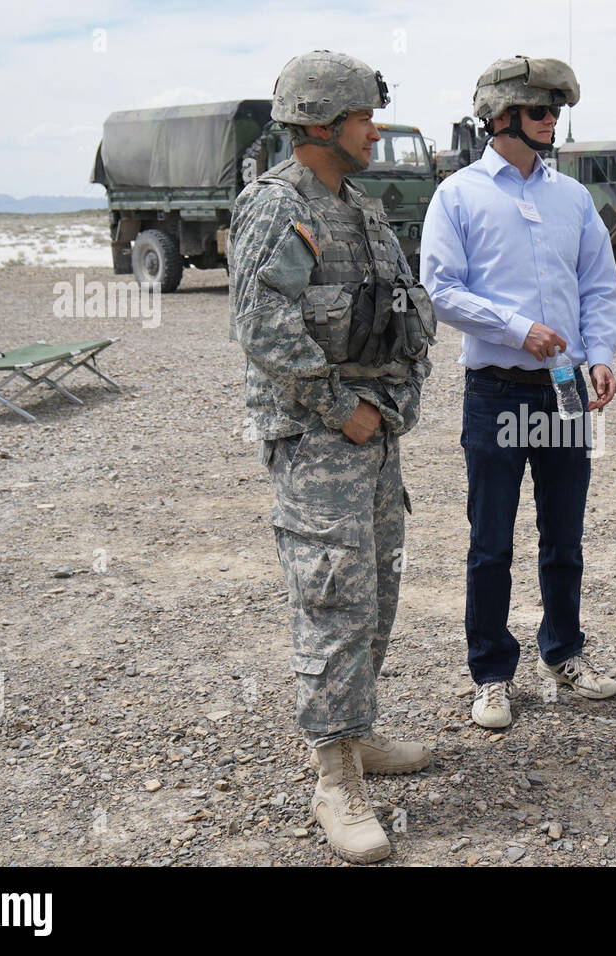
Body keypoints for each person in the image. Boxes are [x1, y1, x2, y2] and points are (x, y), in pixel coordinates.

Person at [228, 50, 436, 863]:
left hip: (372, 434)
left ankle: (360, 732)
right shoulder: (278, 207)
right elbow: (264, 329)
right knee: (332, 599)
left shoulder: (361, 207)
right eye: (363, 118)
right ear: (321, 124)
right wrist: (340, 409)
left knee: (376, 589)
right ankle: (334, 778)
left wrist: (388, 405)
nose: (374, 130)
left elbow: (402, 309)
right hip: (323, 440)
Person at [420, 55, 616, 730]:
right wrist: (515, 328)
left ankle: (563, 652)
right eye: (541, 111)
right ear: (501, 117)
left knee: (564, 538)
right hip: (497, 392)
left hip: (565, 393)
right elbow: (441, 290)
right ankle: (491, 673)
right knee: (491, 541)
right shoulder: (459, 196)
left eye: (557, 111)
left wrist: (599, 355)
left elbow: (598, 284)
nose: (552, 121)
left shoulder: (571, 198)